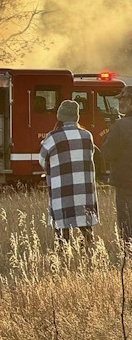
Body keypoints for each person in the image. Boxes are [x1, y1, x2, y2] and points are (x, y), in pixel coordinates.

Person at [38, 99, 100, 246]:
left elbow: (42, 160)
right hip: (85, 190)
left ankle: (65, 256)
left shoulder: (53, 137)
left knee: (62, 230)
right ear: (76, 117)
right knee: (86, 229)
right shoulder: (87, 136)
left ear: (60, 116)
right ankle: (90, 254)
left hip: (62, 190)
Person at [103, 85, 132, 245]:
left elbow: (107, 153)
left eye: (123, 99)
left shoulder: (120, 126)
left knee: (127, 225)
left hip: (126, 184)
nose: (119, 102)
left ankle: (128, 256)